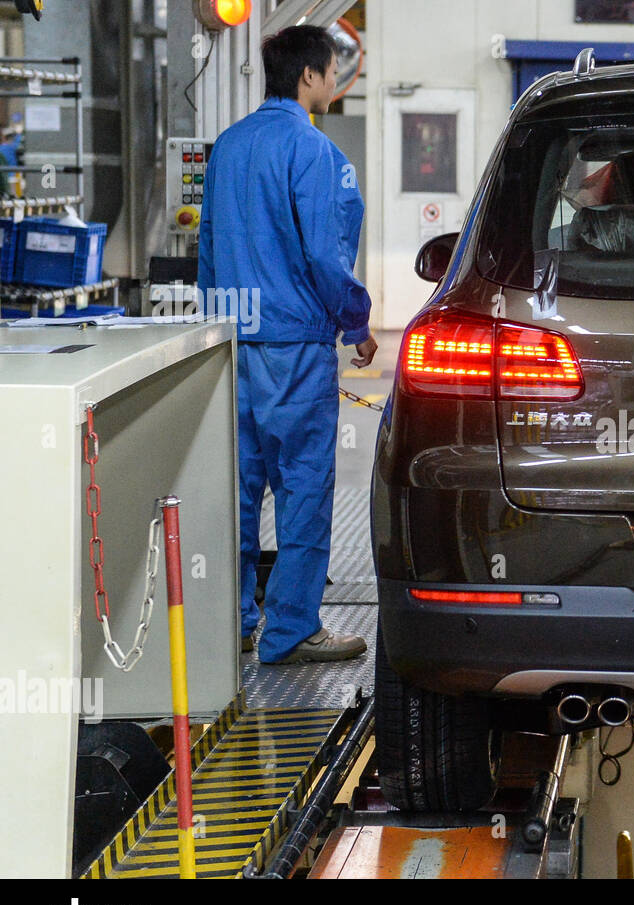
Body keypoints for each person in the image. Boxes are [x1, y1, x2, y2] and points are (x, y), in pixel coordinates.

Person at [198, 25, 377, 664]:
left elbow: (209, 251)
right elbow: (327, 255)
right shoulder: (315, 153)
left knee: (238, 489)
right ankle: (292, 628)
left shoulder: (227, 148)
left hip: (230, 343)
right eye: (331, 71)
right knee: (303, 487)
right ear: (308, 77)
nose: (333, 82)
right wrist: (356, 321)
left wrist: (217, 327)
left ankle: (234, 623)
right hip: (295, 346)